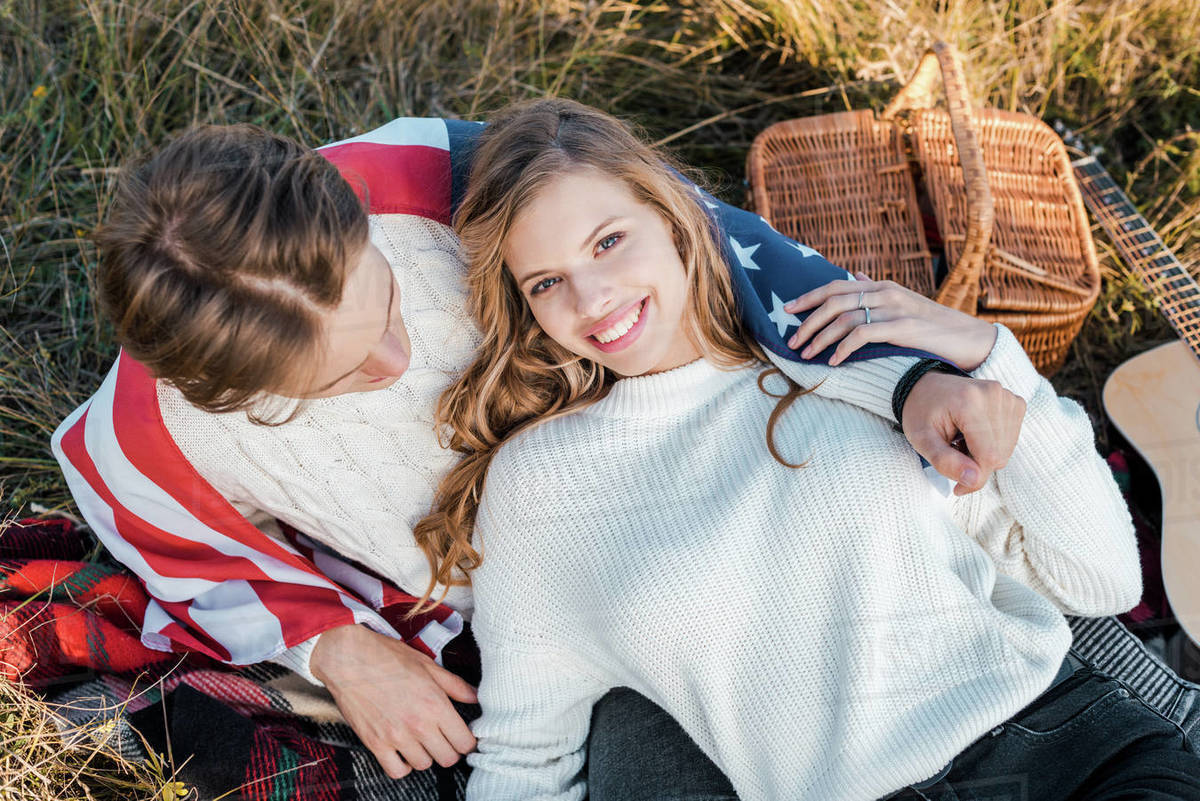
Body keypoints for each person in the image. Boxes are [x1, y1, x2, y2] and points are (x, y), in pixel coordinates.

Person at [49, 117, 1015, 795]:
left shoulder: (434, 172)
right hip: (545, 621)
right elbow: (199, 562)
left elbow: (697, 244)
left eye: (385, 302)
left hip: (706, 474)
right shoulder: (137, 445)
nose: (395, 364)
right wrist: (337, 648)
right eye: (343, 376)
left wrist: (910, 377)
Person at [423, 97, 1200, 800]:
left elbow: (1100, 578)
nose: (592, 300)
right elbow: (526, 759)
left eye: (609, 240)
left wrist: (991, 352)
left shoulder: (836, 356)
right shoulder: (540, 484)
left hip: (1070, 742)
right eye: (547, 282)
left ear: (672, 215)